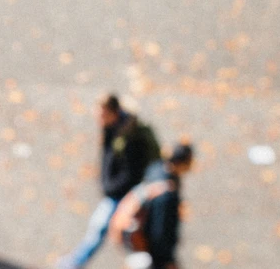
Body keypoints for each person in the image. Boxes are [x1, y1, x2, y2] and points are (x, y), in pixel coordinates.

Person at [56, 94, 158, 269]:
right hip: (116, 192)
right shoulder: (113, 128)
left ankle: (72, 264)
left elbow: (130, 174)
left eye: (102, 115)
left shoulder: (129, 138)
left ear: (113, 113)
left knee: (103, 230)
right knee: (110, 232)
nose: (99, 119)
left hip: (122, 194)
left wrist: (110, 188)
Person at [108, 143, 193, 269]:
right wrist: (167, 259)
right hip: (146, 245)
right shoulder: (167, 193)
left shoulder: (155, 168)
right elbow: (160, 232)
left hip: (131, 234)